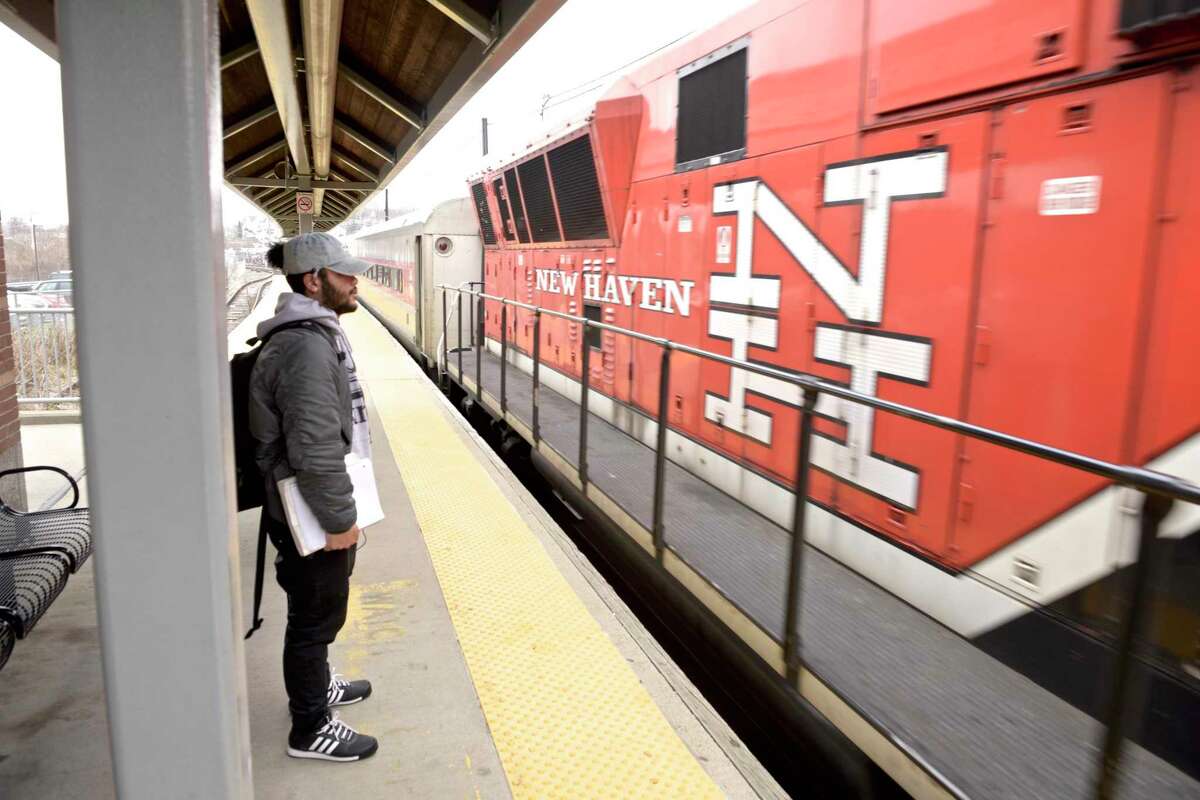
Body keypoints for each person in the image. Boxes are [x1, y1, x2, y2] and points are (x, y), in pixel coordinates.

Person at [249, 233, 378, 762]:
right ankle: (310, 727)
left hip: (305, 504)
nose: (355, 282)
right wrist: (339, 519)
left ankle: (316, 687)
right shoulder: (304, 347)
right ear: (313, 281)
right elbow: (314, 446)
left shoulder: (311, 335)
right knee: (314, 616)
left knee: (317, 609)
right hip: (307, 509)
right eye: (344, 274)